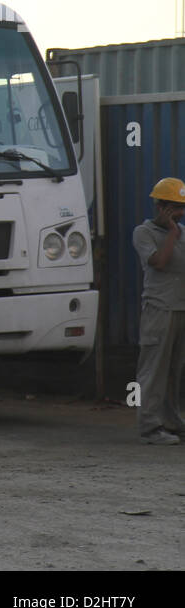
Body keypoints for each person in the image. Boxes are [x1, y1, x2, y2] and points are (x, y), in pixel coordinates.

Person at [131, 178, 185, 445]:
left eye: (181, 208)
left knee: (176, 369)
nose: (179, 213)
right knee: (154, 369)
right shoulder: (144, 233)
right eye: (174, 207)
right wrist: (172, 234)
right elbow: (159, 263)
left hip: (181, 309)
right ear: (160, 207)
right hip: (159, 309)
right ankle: (150, 426)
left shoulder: (183, 234)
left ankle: (174, 422)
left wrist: (177, 232)